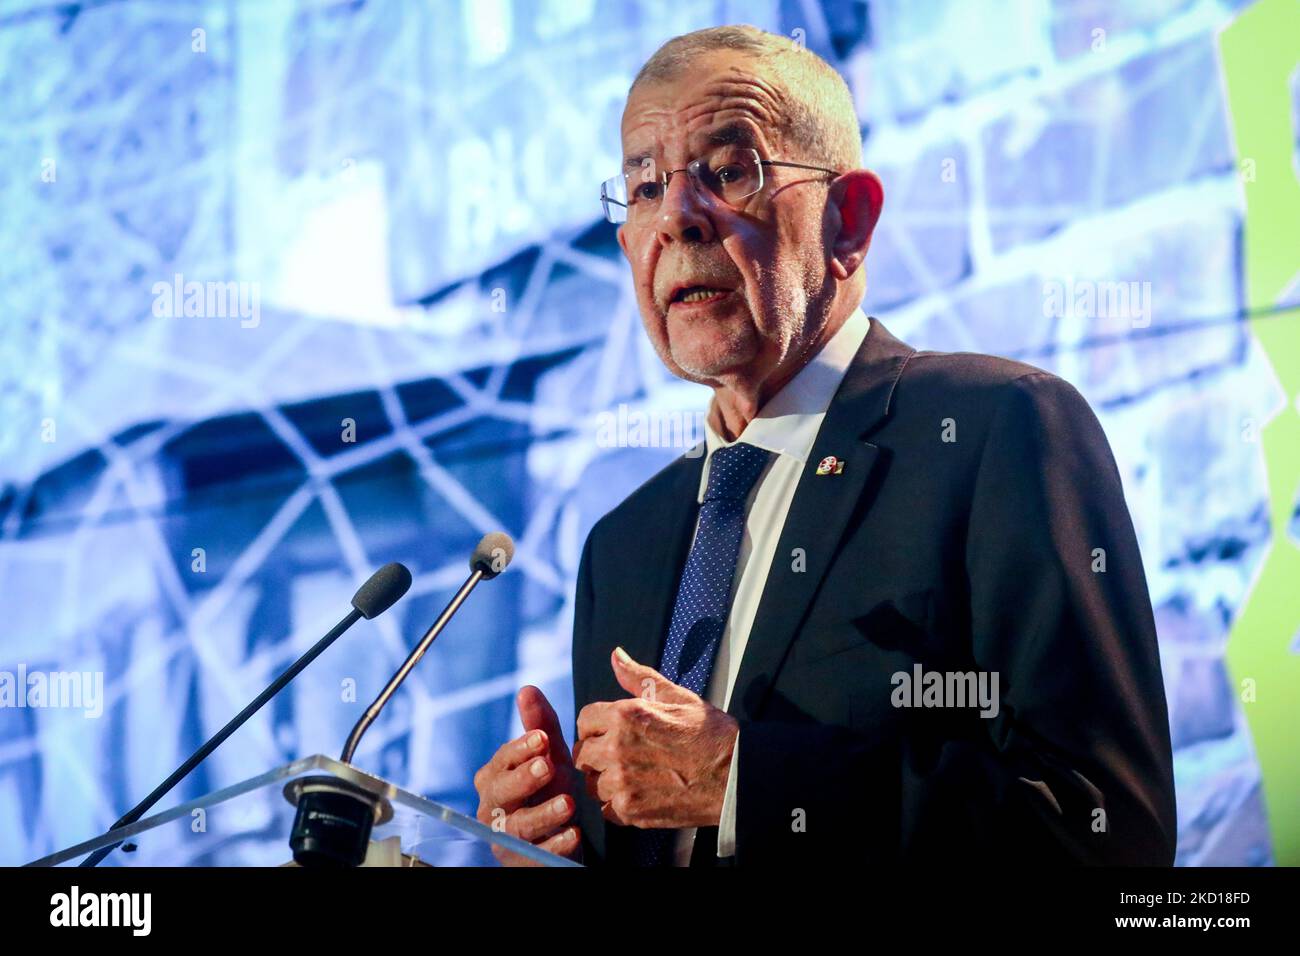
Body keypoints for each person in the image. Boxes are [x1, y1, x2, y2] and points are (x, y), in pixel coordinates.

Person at [473, 24, 1177, 867]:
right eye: (647, 187)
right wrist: (551, 851)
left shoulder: (1000, 430)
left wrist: (744, 782)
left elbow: (1106, 830)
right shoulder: (622, 544)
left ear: (850, 221)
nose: (678, 219)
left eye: (729, 173)